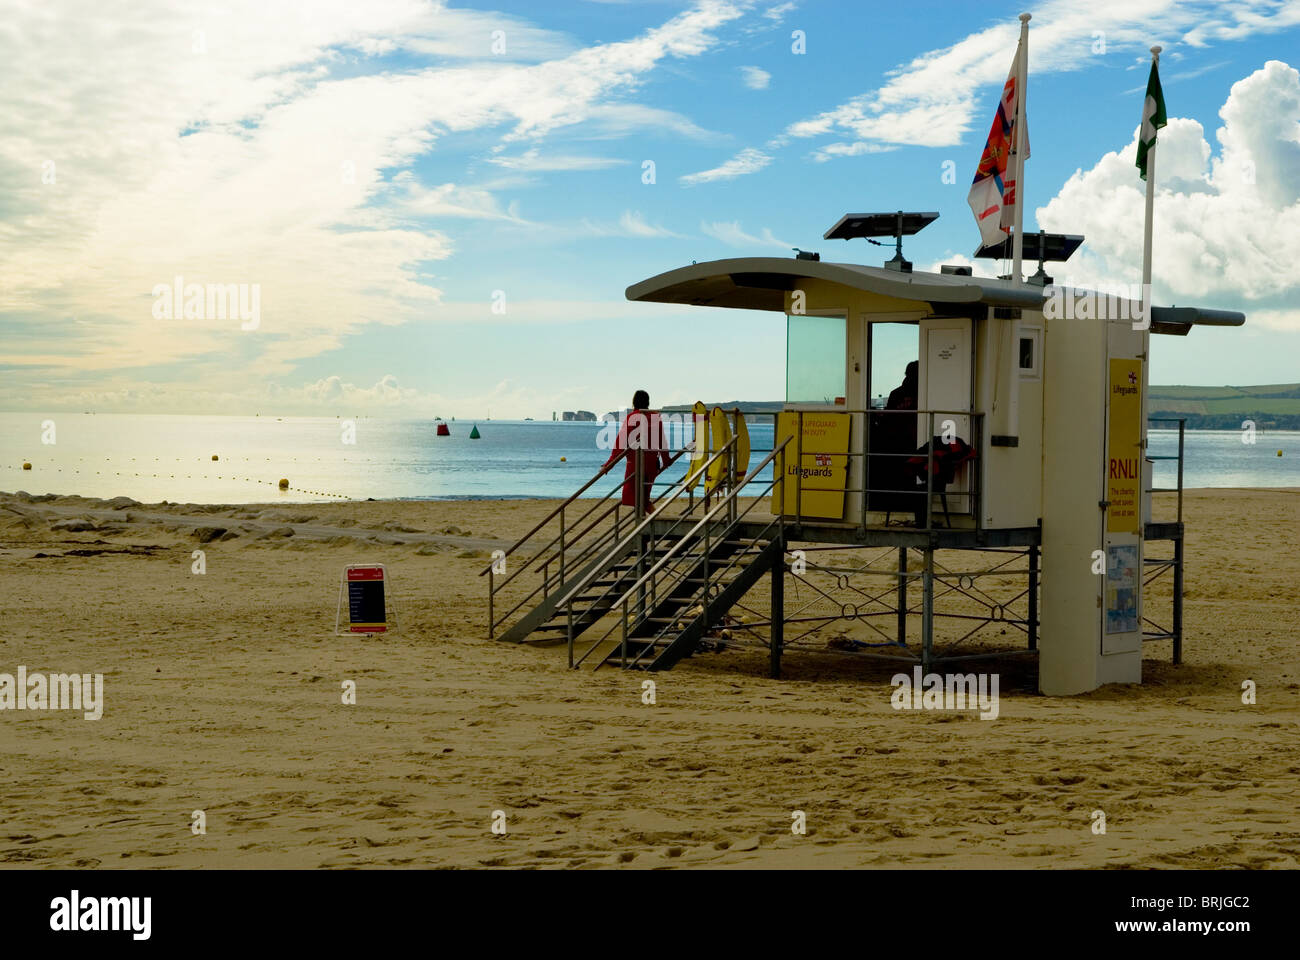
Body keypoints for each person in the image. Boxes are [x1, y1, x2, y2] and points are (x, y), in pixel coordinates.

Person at [603, 390, 671, 514]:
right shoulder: (655, 417)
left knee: (637, 498)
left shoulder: (632, 417)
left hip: (635, 464)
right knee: (643, 498)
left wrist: (609, 464)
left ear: (634, 402)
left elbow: (620, 442)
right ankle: (646, 522)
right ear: (648, 402)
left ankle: (651, 520)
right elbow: (662, 440)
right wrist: (666, 460)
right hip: (651, 464)